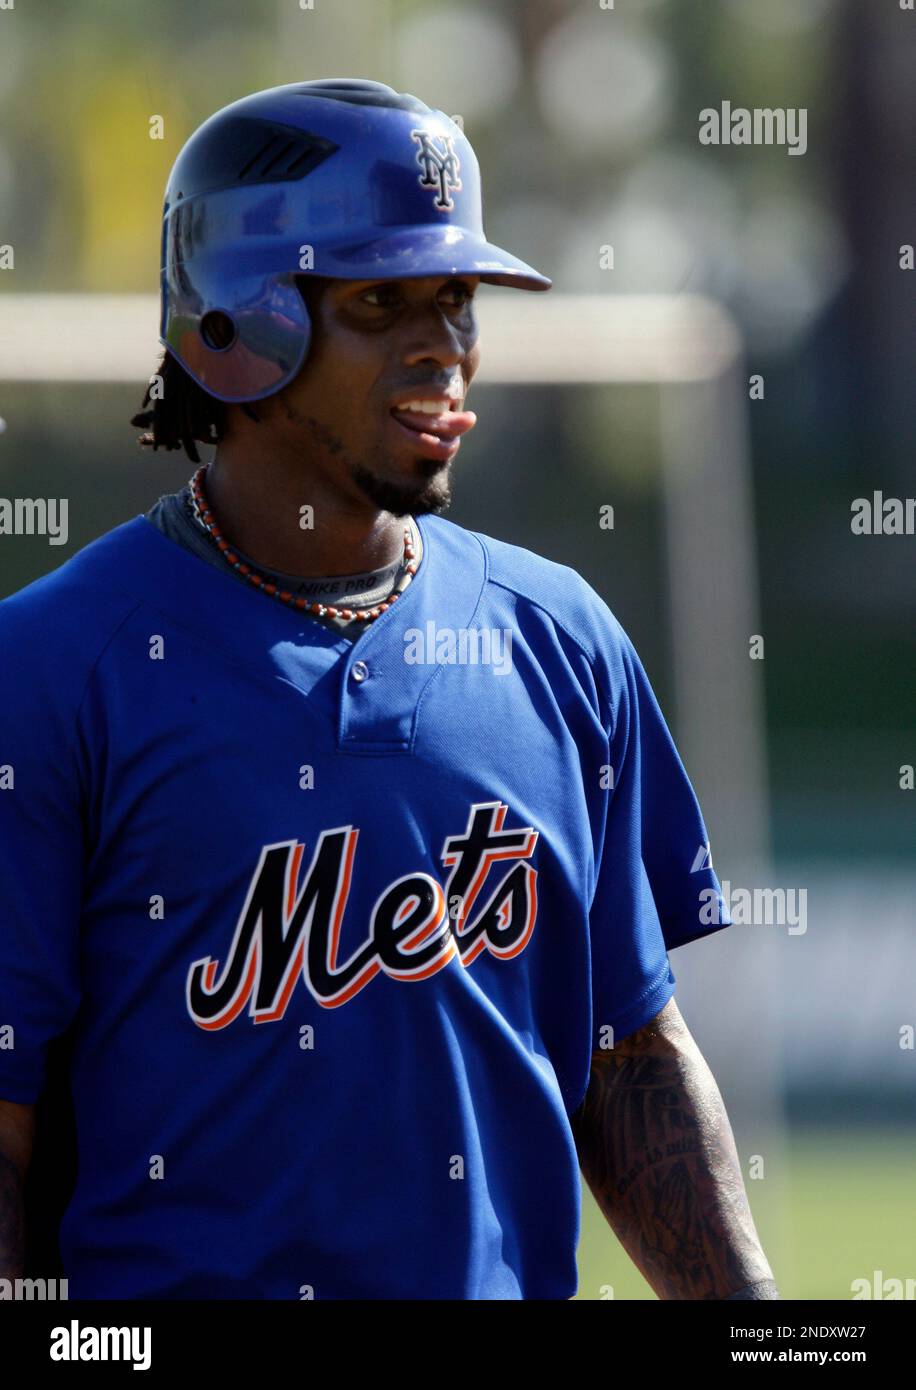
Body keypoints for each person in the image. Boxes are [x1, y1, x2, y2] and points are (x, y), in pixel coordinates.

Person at [0, 79, 778, 1300]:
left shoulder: (559, 639)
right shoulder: (50, 671)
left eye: (457, 299)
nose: (444, 346)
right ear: (235, 329)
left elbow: (628, 1055)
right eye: (380, 301)